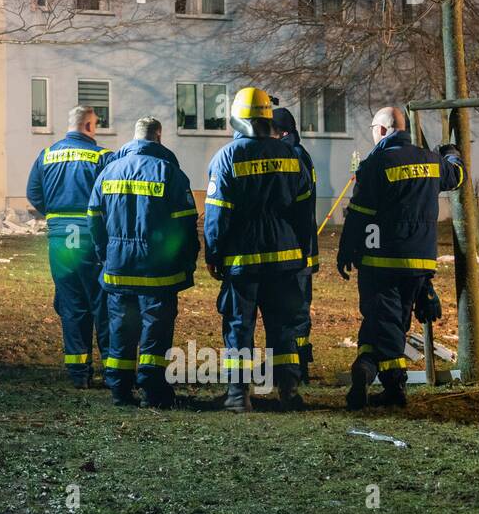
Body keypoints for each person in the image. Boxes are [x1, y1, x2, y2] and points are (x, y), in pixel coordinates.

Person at [337, 107, 465, 409]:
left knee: (386, 322)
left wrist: (347, 250)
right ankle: (377, 377)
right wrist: (451, 153)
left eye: (372, 129)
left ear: (381, 130)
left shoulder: (375, 164)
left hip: (380, 260)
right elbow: (457, 176)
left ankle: (380, 379)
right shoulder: (430, 161)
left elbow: (359, 215)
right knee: (389, 323)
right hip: (419, 263)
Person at [204, 88, 314, 412]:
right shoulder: (292, 156)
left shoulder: (227, 158)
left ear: (238, 119)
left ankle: (239, 396)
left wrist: (213, 253)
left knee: (240, 326)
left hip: (243, 259)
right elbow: (305, 211)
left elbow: (217, 214)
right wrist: (301, 250)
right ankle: (289, 391)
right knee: (284, 328)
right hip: (285, 258)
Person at [88, 117, 199, 408]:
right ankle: (153, 390)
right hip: (157, 272)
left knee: (121, 329)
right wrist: (185, 260)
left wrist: (105, 253)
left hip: (118, 268)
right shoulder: (170, 173)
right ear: (158, 137)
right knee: (155, 330)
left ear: (134, 138)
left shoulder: (108, 171)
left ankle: (120, 390)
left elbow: (93, 219)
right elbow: (186, 225)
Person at [26, 106, 113, 388]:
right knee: (102, 304)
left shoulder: (47, 155)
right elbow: (111, 198)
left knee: (71, 304)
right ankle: (113, 370)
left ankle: (79, 374)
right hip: (92, 239)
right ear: (89, 125)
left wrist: (55, 216)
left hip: (60, 241)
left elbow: (34, 194)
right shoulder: (102, 157)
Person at [270, 102, 319, 383]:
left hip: (295, 249)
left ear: (281, 132)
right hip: (304, 247)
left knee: (294, 312)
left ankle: (296, 370)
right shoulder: (303, 154)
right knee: (297, 310)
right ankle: (297, 368)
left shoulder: (292, 156)